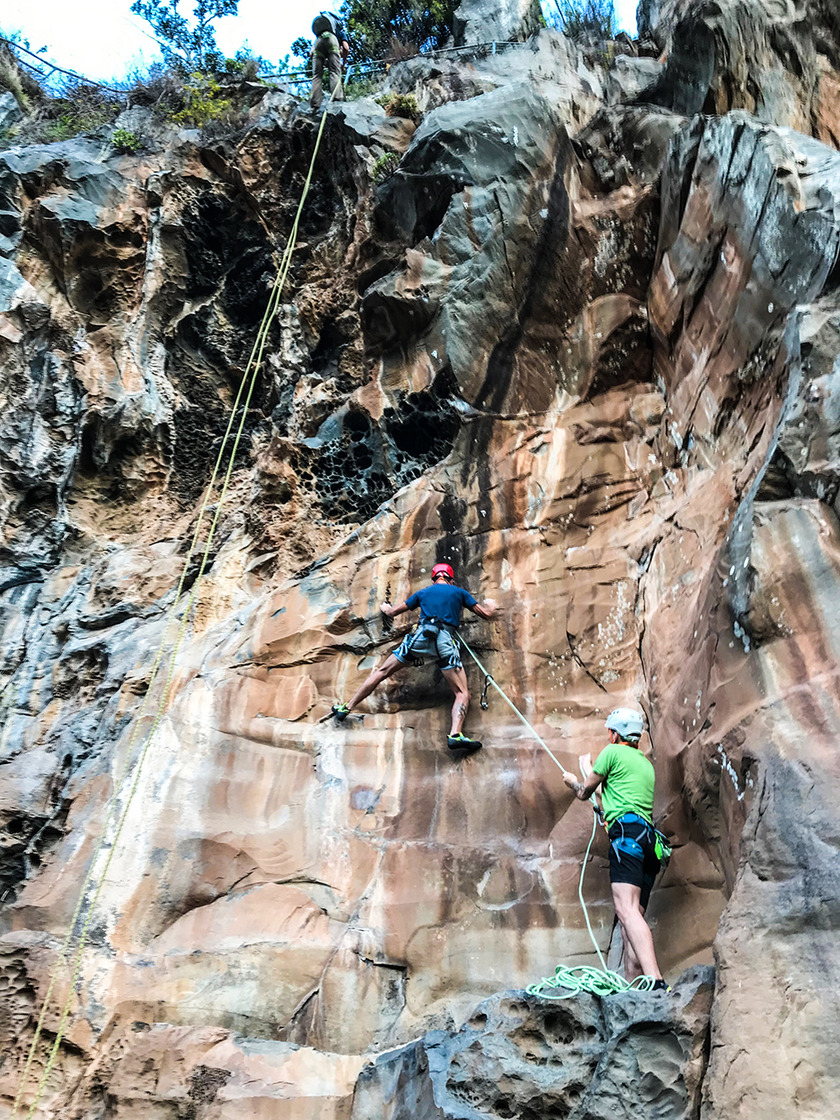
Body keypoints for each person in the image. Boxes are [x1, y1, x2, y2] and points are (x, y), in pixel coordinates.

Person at [332, 562, 498, 750]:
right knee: (462, 693)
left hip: (419, 638)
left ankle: (346, 707)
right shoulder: (459, 593)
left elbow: (392, 611)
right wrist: (490, 605)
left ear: (434, 578)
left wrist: (385, 606)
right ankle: (455, 735)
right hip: (444, 640)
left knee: (382, 672)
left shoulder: (423, 593)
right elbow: (486, 614)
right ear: (450, 578)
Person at [564, 707, 668, 990]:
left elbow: (585, 792)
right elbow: (606, 800)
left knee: (627, 911)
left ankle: (655, 980)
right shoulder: (645, 764)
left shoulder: (611, 753)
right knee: (631, 922)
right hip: (648, 844)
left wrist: (575, 779)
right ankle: (633, 989)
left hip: (627, 838)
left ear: (615, 733)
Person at [309, 11, 351, 110]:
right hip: (332, 42)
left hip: (318, 43)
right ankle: (336, 100)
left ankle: (314, 104)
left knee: (317, 76)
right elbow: (346, 48)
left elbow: (311, 53)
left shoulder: (319, 35)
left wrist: (322, 63)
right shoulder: (340, 33)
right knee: (335, 72)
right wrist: (343, 64)